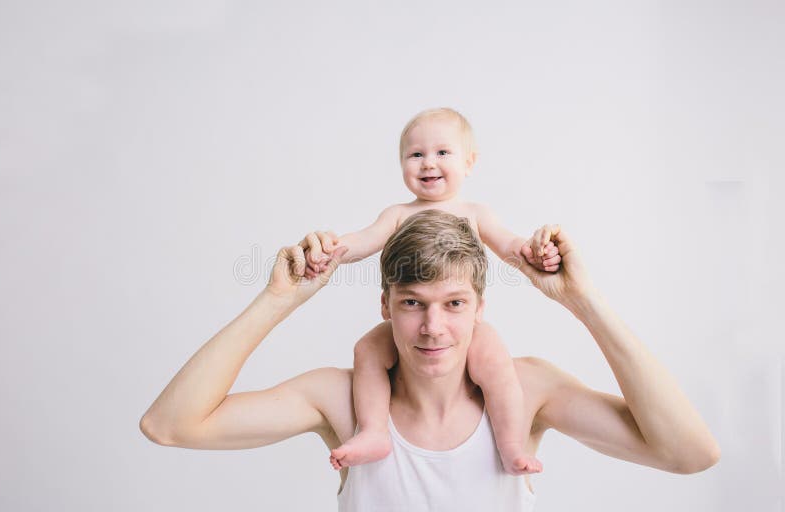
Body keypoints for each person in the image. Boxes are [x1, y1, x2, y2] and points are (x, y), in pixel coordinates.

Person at [139, 209, 721, 511]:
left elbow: (689, 453)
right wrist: (275, 301)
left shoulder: (527, 390)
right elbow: (169, 425)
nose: (433, 328)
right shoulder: (340, 399)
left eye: (454, 304)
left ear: (480, 308)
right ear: (385, 306)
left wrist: (582, 301)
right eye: (413, 303)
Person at [308, 107, 560, 474]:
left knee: (496, 363)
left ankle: (509, 446)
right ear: (401, 164)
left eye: (442, 152)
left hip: (461, 323)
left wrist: (535, 252)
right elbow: (364, 240)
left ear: (469, 162)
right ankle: (375, 431)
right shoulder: (397, 214)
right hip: (410, 318)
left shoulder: (475, 213)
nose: (428, 163)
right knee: (367, 350)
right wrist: (330, 250)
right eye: (416, 154)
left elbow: (509, 245)